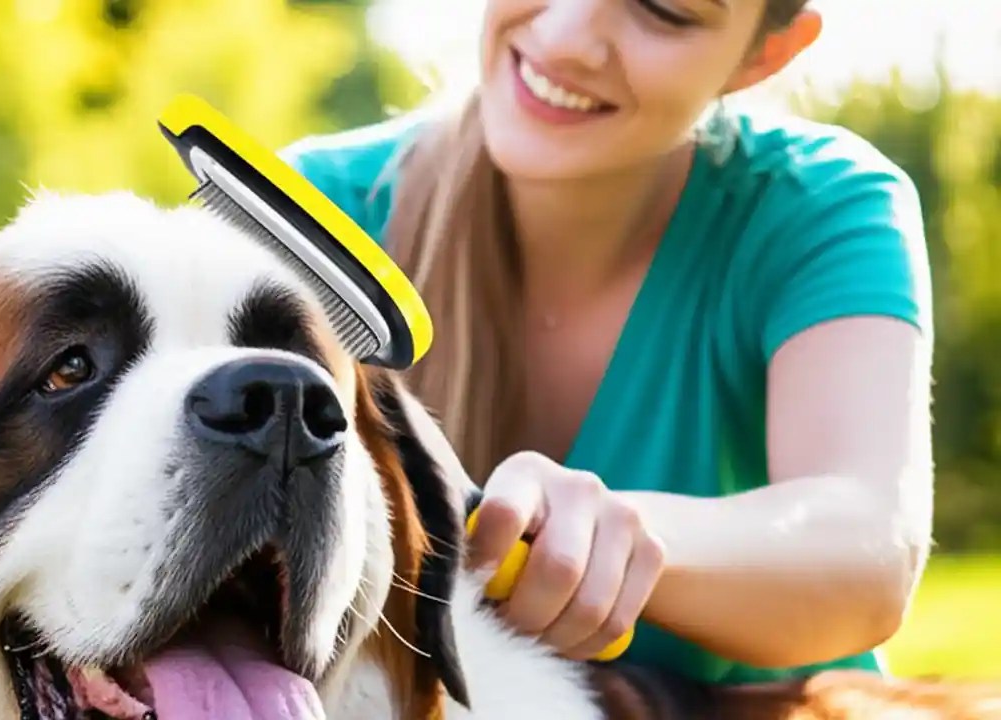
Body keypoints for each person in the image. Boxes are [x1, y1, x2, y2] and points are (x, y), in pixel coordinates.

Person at [279, 0, 935, 687]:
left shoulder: (819, 208)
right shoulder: (320, 214)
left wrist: (618, 537)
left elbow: (865, 550)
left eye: (664, 10)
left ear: (763, 55)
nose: (565, 39)